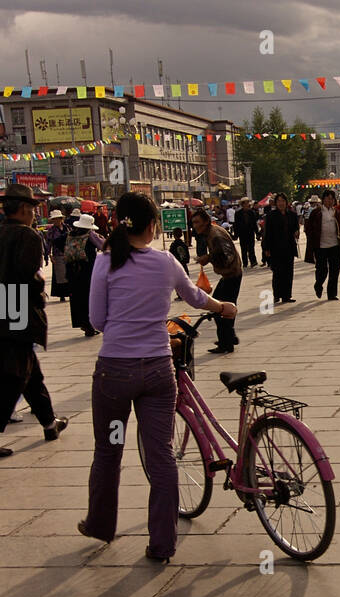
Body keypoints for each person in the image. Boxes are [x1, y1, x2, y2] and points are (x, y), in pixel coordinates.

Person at [81, 190, 238, 563]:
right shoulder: (166, 262)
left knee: (108, 451)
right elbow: (195, 298)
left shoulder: (105, 261)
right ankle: (162, 544)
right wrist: (223, 307)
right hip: (157, 371)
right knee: (162, 457)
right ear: (152, 226)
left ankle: (101, 525)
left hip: (114, 374)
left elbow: (96, 321)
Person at [0, 183, 67, 458]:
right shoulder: (28, 237)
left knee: (30, 374)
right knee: (13, 377)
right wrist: (39, 286)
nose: (34, 213)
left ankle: (48, 422)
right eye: (32, 208)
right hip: (17, 318)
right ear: (23, 209)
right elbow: (25, 275)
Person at [191, 208, 242, 353]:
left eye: (197, 222)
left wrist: (207, 258)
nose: (195, 225)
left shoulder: (215, 235)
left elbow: (227, 255)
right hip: (229, 274)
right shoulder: (210, 233)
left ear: (206, 221)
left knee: (220, 308)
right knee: (223, 306)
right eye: (193, 222)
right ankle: (229, 337)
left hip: (232, 274)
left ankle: (226, 342)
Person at [305, 188, 340, 301]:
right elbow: (309, 228)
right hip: (321, 246)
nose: (330, 201)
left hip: (334, 245)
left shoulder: (336, 212)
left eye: (332, 199)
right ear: (323, 200)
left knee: (335, 270)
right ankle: (318, 284)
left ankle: (332, 293)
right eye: (327, 199)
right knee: (322, 270)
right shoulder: (317, 212)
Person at [65, 213, 105, 337]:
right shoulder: (90, 235)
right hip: (88, 270)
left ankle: (83, 324)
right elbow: (104, 246)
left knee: (77, 298)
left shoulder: (70, 234)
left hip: (72, 270)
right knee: (89, 297)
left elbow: (58, 243)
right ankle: (90, 325)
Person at [264, 192, 300, 304]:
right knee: (277, 272)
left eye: (283, 201)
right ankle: (277, 295)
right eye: (279, 201)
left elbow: (296, 228)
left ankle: (287, 295)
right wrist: (266, 248)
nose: (281, 203)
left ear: (286, 202)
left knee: (288, 272)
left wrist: (297, 232)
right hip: (275, 248)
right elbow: (267, 233)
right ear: (276, 203)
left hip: (289, 247)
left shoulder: (292, 215)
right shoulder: (271, 216)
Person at [46, 210, 69, 300]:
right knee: (60, 275)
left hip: (68, 253)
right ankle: (62, 295)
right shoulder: (51, 230)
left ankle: (69, 292)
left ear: (61, 219)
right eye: (54, 219)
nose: (56, 221)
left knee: (68, 274)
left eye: (58, 219)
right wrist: (49, 256)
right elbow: (48, 243)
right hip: (57, 254)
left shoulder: (67, 227)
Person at [234, 197, 259, 268]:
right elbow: (236, 225)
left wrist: (257, 233)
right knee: (243, 248)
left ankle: (253, 261)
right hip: (242, 233)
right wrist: (236, 235)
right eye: (245, 203)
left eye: (248, 203)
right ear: (242, 204)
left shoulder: (251, 212)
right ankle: (245, 262)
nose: (247, 204)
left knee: (251, 247)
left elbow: (254, 224)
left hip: (250, 232)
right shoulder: (238, 213)